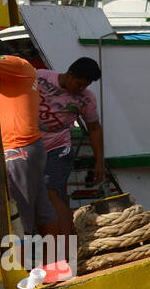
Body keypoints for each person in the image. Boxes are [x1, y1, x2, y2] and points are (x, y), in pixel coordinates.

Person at [36, 58, 104, 239]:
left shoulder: (86, 99)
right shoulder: (39, 77)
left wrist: (99, 161)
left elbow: (94, 129)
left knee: (50, 192)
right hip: (31, 147)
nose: (81, 88)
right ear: (69, 74)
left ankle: (66, 245)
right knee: (41, 197)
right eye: (79, 84)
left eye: (85, 85)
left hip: (59, 148)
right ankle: (55, 242)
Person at [0, 53, 54, 236]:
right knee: (42, 211)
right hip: (28, 148)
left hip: (18, 149)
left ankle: (21, 255)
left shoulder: (18, 65)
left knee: (18, 217)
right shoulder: (17, 74)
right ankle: (57, 253)